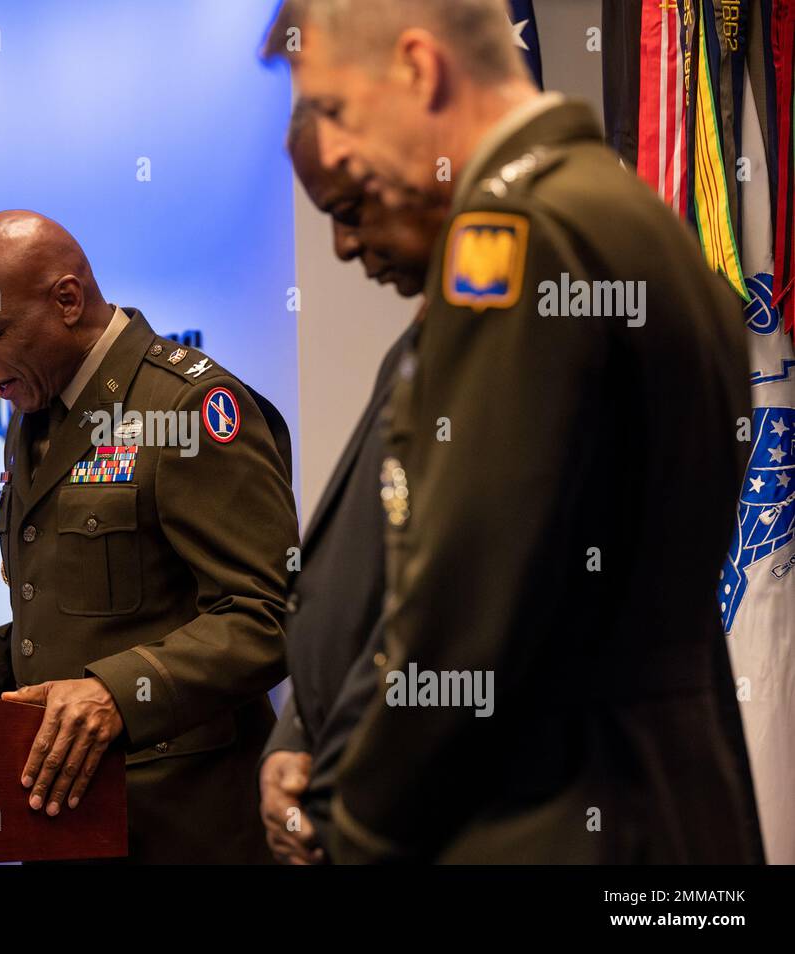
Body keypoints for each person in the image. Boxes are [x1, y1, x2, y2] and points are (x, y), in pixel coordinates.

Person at [269, 0, 764, 863]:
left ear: (420, 70)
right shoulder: (620, 212)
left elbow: (463, 605)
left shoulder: (519, 238)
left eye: (335, 110)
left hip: (546, 820)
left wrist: (356, 826)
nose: (329, 147)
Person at [0, 210, 298, 863]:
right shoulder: (36, 417)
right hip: (65, 823)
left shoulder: (187, 408)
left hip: (185, 828)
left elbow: (267, 615)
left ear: (66, 301)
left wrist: (117, 692)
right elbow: (60, 624)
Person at [259, 102, 439, 864]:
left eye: (351, 208)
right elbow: (355, 593)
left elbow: (456, 613)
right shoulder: (413, 349)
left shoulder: (540, 327)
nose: (340, 246)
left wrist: (345, 790)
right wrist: (294, 741)